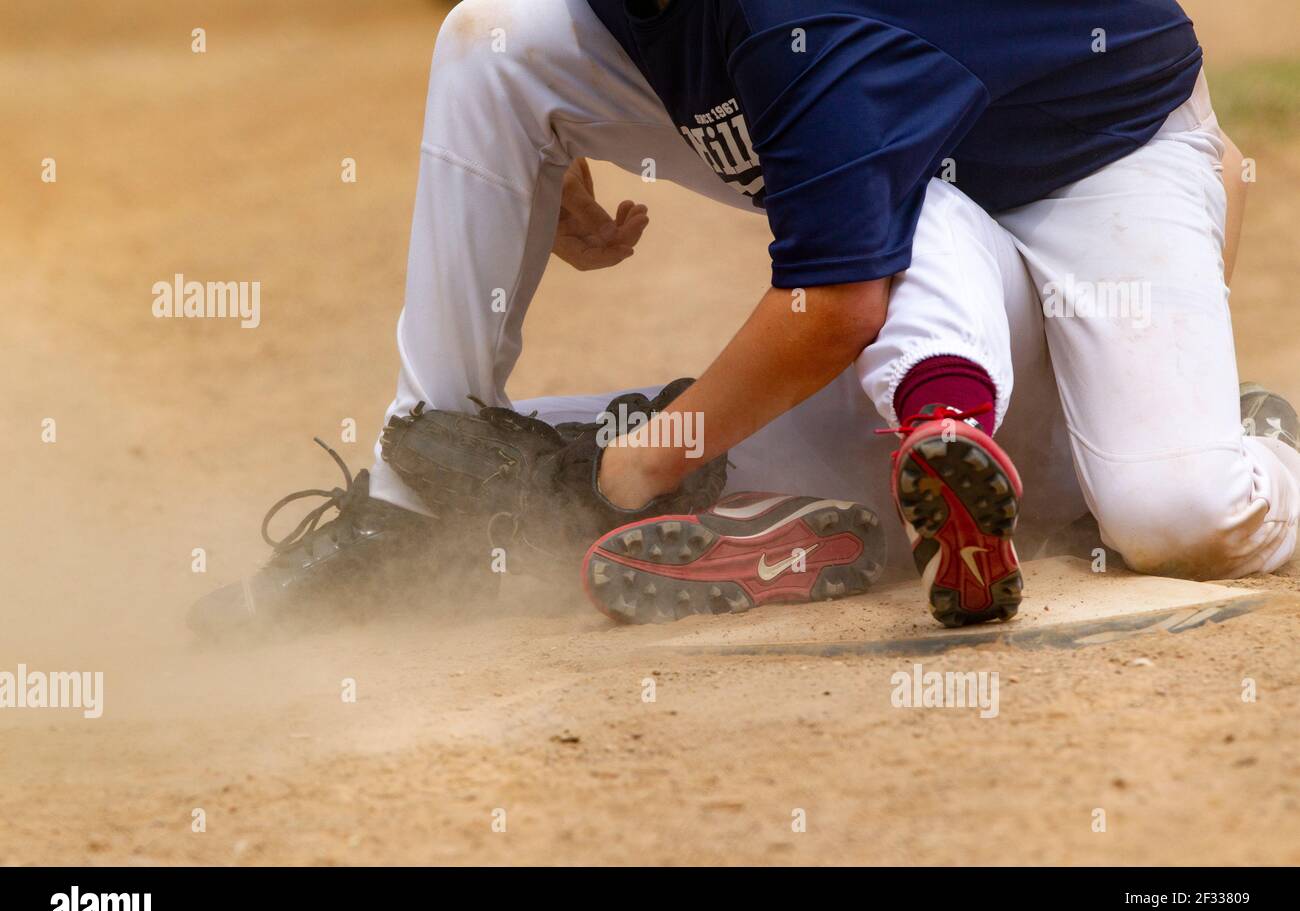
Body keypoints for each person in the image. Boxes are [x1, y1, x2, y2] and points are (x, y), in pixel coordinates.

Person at [188, 0, 1299, 637]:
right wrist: (552, 141)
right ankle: (416, 481)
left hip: (1093, 166)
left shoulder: (803, 30)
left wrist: (630, 474)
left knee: (1169, 510)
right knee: (495, 44)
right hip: (891, 128)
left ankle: (1237, 435)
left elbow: (832, 307)